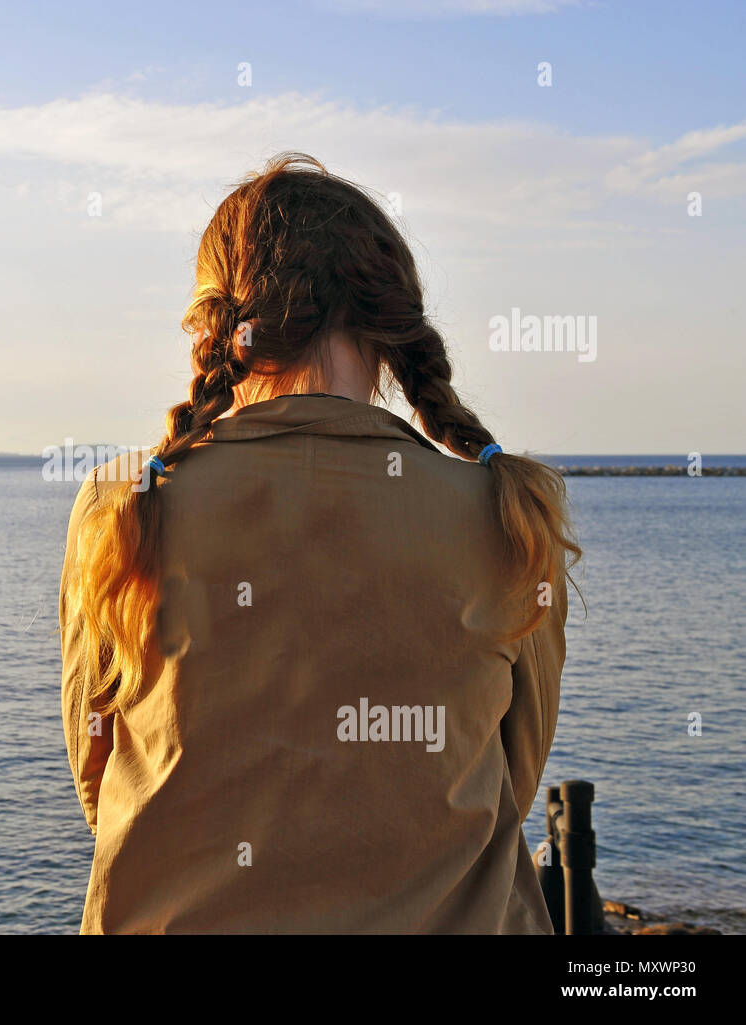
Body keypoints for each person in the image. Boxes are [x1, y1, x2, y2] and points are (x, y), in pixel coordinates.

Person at [59, 153, 581, 934]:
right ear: (390, 321)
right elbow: (513, 770)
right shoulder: (507, 512)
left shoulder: (124, 506)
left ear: (218, 325)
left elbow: (101, 786)